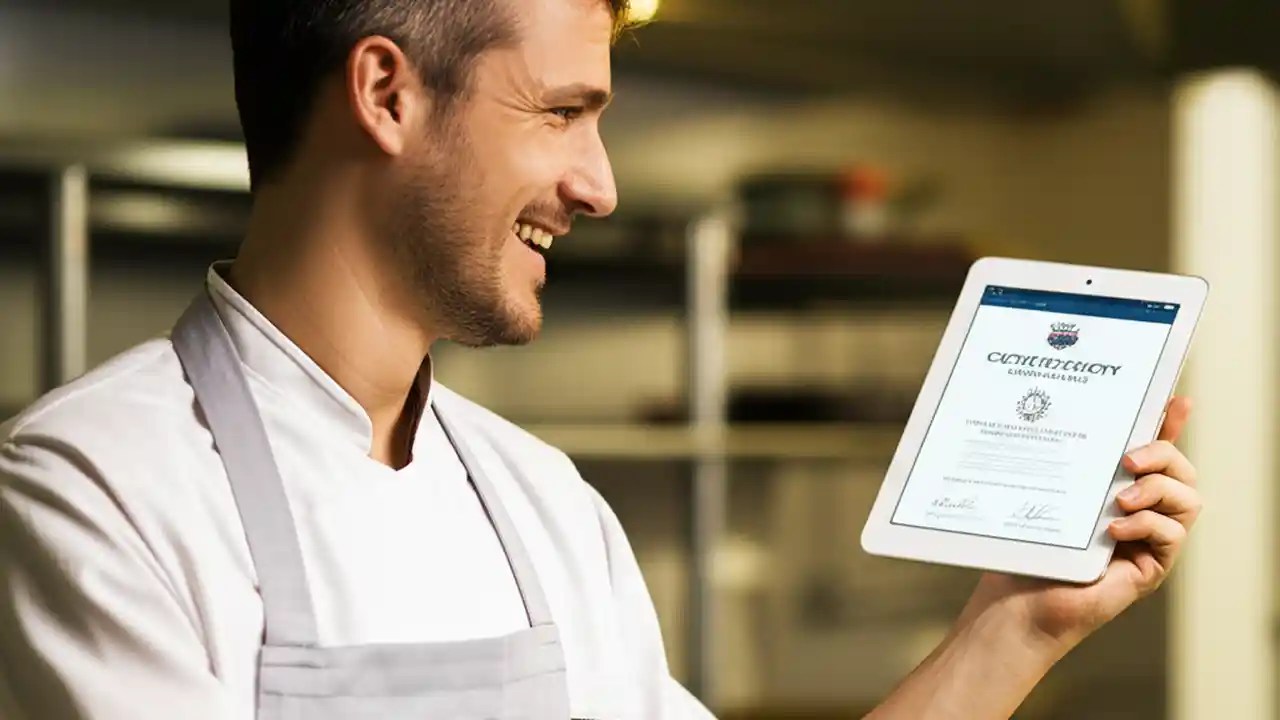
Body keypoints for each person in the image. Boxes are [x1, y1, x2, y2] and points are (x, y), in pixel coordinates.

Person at [0, 0, 1202, 718]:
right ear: (385, 93)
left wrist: (1013, 630)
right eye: (561, 112)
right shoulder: (91, 489)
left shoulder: (540, 504)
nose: (600, 184)